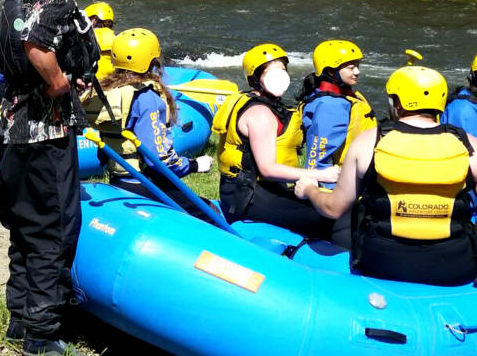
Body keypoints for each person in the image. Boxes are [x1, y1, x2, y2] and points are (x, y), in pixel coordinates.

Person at [297, 65, 477, 286]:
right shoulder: (471, 146)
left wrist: (309, 189)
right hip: (454, 267)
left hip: (382, 264)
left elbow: (333, 209)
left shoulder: (369, 141)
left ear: (396, 103)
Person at [0, 0, 103, 356]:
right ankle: (42, 333)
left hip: (13, 126)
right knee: (55, 228)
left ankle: (20, 316)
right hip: (46, 129)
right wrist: (59, 84)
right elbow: (37, 46)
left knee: (24, 223)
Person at [216, 43, 340, 236]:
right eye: (272, 73)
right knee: (331, 214)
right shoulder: (260, 114)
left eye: (283, 71)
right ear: (256, 78)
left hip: (259, 189)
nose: (280, 78)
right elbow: (268, 169)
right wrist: (322, 175)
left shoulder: (266, 105)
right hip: (247, 196)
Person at [90, 28, 212, 211]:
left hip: (119, 178)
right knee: (211, 211)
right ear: (152, 60)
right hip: (146, 183)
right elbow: (159, 159)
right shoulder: (146, 97)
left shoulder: (109, 90)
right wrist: (195, 165)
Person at [298, 39, 376, 171]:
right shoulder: (329, 105)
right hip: (342, 183)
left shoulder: (343, 96)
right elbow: (317, 159)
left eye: (358, 65)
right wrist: (323, 189)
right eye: (351, 68)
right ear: (330, 71)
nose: (357, 72)